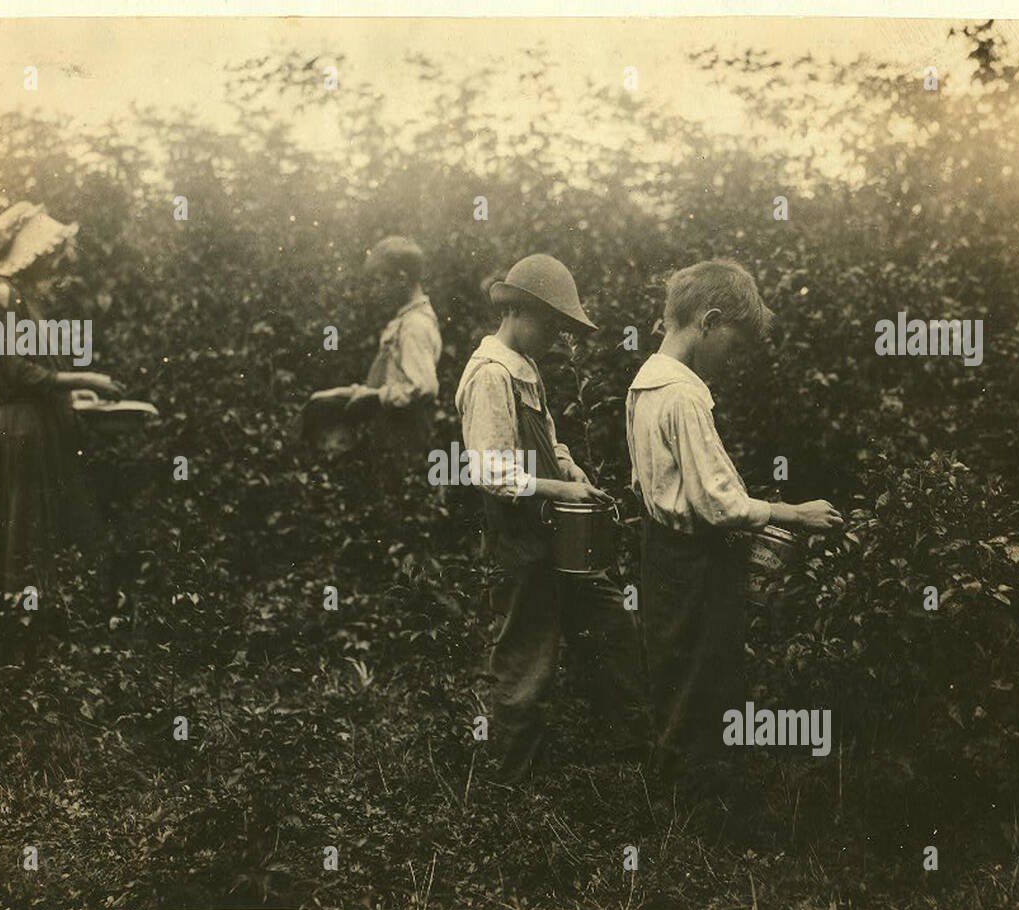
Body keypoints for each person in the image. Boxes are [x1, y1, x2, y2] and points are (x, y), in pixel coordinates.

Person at [625, 259, 843, 782]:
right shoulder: (683, 394)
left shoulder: (644, 384)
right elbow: (718, 503)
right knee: (707, 678)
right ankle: (700, 813)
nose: (733, 358)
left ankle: (672, 797)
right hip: (697, 559)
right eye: (734, 342)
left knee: (674, 671)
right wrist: (792, 514)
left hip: (660, 550)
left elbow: (648, 482)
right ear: (709, 320)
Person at [455, 253, 645, 784]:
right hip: (519, 542)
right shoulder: (490, 375)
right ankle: (508, 790)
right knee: (525, 662)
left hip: (555, 535)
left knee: (613, 627)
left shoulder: (526, 370)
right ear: (516, 310)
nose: (557, 338)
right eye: (551, 324)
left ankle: (629, 756)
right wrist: (559, 487)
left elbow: (550, 441)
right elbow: (491, 471)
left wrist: (572, 470)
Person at [0, 202, 121, 651]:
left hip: (34, 419)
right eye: (49, 253)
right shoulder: (2, 295)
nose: (55, 263)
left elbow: (32, 371)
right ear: (29, 252)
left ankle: (34, 632)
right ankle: (25, 639)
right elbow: (18, 373)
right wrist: (84, 378)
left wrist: (72, 395)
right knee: (28, 521)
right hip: (24, 425)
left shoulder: (9, 293)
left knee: (33, 520)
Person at [342, 235, 443, 456]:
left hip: (405, 439)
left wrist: (376, 397)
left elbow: (423, 387)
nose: (376, 291)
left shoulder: (415, 325)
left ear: (401, 278)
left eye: (380, 281)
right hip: (391, 433)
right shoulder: (405, 321)